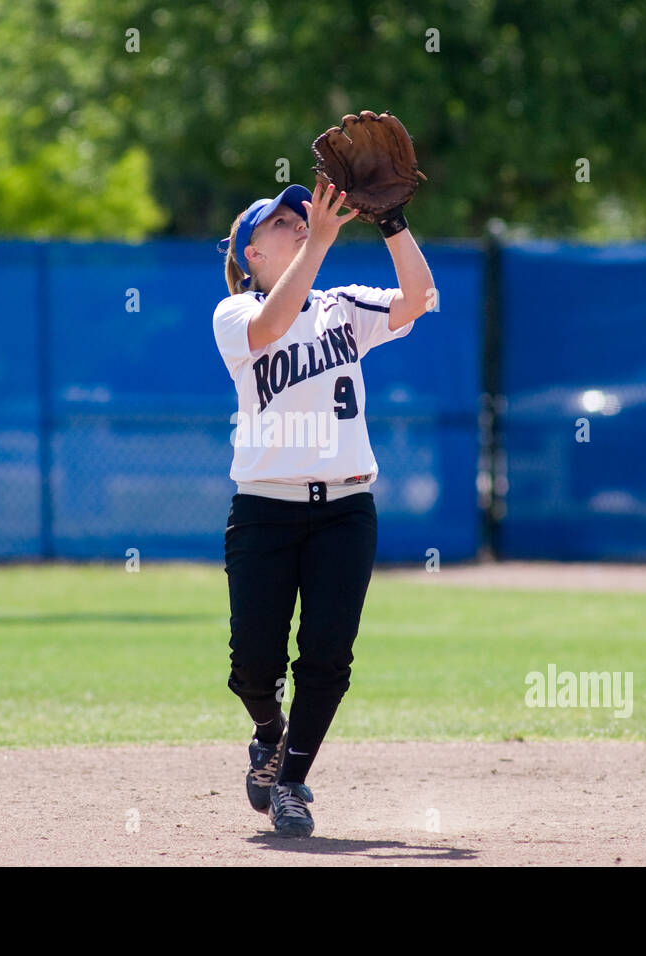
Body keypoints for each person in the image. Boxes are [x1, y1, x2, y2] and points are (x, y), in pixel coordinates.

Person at [211, 180, 434, 837]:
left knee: (328, 656)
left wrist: (392, 222)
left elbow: (418, 299)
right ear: (250, 253)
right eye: (280, 223)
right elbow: (271, 327)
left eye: (300, 216)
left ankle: (291, 781)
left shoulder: (344, 306)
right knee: (253, 663)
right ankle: (267, 730)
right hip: (265, 509)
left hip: (345, 508)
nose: (299, 224)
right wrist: (327, 242)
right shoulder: (233, 313)